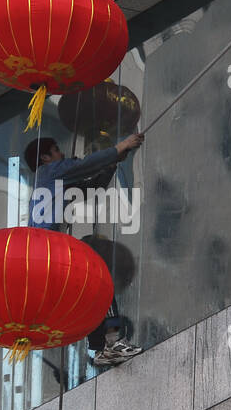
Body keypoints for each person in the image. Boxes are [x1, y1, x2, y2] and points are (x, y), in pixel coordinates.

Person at [23, 133, 145, 368]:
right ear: (46, 157)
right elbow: (85, 165)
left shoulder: (50, 181)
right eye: (57, 151)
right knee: (97, 278)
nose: (62, 155)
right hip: (49, 250)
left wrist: (113, 163)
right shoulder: (51, 171)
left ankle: (101, 347)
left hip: (42, 256)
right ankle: (112, 341)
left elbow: (92, 187)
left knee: (88, 288)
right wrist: (120, 147)